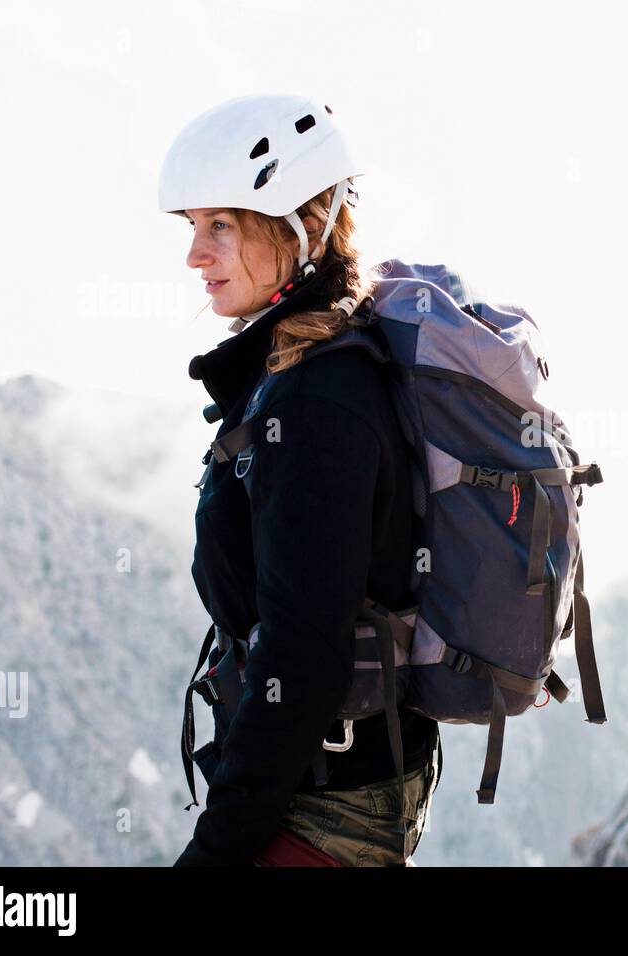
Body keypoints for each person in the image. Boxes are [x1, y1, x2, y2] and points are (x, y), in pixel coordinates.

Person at [158, 93, 441, 866]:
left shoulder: (316, 400)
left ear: (300, 229)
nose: (196, 255)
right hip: (345, 785)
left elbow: (301, 655)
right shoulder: (317, 364)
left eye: (222, 225)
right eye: (193, 227)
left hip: (322, 808)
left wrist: (215, 849)